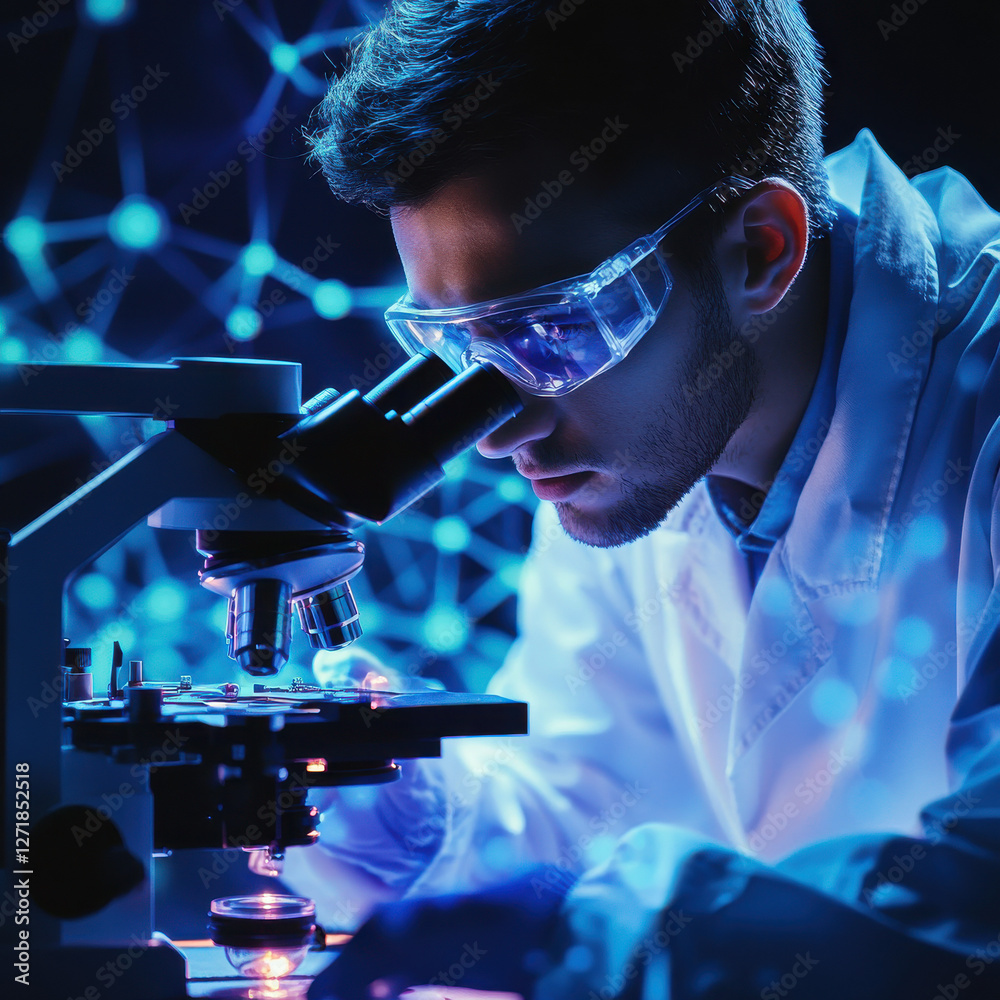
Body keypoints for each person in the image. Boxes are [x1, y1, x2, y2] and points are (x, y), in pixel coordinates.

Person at [280, 1, 1000, 996]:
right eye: (456, 349)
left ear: (760, 250)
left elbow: (976, 907)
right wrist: (393, 816)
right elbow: (586, 814)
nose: (498, 428)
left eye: (547, 329)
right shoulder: (624, 446)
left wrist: (585, 940)